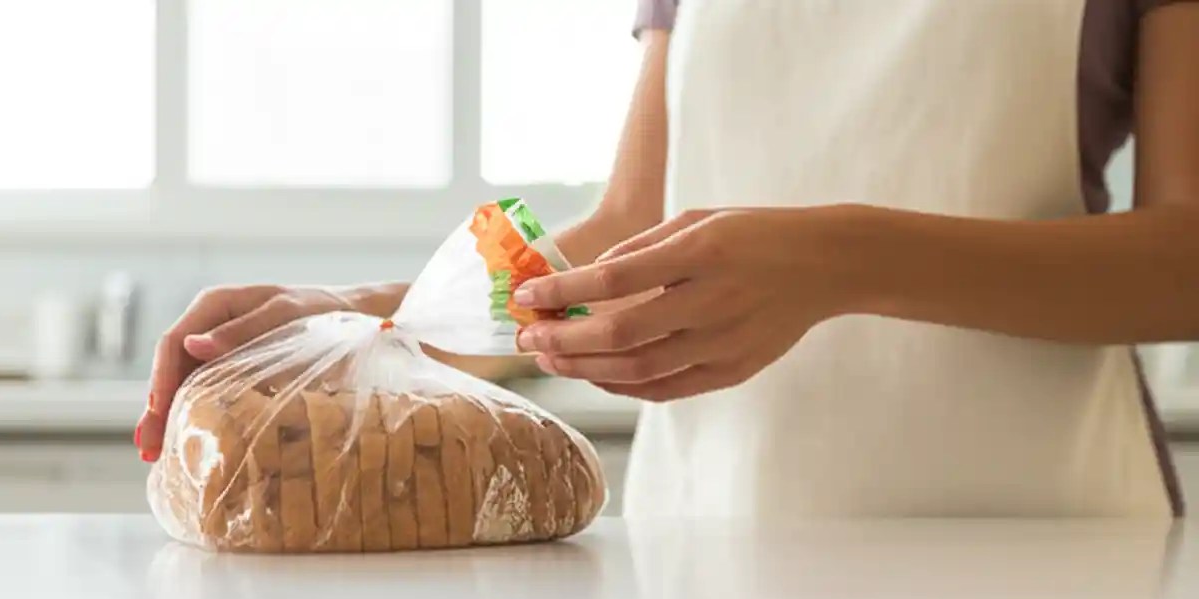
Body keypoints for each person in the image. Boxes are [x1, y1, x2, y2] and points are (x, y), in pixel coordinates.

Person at [137, 0, 1199, 519]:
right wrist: (368, 318)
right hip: (715, 550)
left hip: (1046, 556)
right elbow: (629, 230)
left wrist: (843, 258)